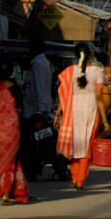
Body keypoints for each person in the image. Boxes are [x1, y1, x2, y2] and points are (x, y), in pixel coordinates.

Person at [55, 44, 107, 191]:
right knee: (85, 147)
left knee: (76, 144)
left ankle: (74, 176)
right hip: (90, 109)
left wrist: (58, 112)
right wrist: (104, 119)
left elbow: (64, 93)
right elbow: (99, 97)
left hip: (73, 109)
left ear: (77, 55)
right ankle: (80, 180)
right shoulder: (97, 71)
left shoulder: (70, 71)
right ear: (90, 54)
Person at [21, 41, 69, 182]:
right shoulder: (41, 63)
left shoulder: (39, 64)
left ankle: (33, 170)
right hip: (39, 111)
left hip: (34, 113)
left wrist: (41, 112)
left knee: (34, 145)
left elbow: (41, 89)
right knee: (43, 144)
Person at [0, 58, 30, 204]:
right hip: (11, 130)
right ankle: (5, 194)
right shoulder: (15, 88)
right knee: (10, 162)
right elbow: (18, 110)